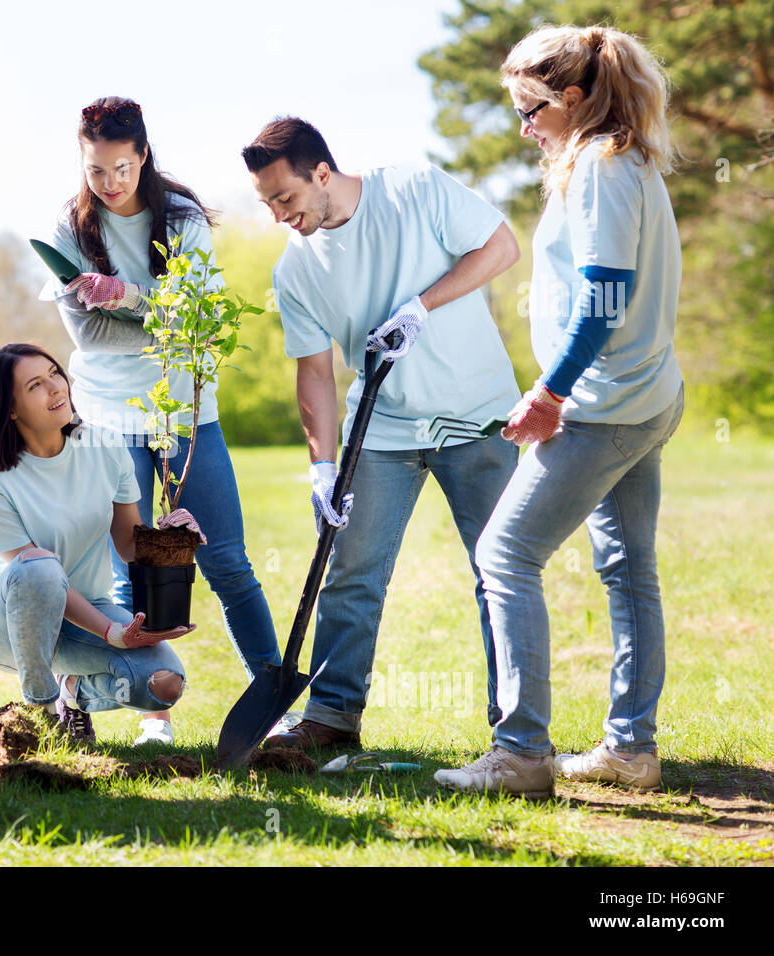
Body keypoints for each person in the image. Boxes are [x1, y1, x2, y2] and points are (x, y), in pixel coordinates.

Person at [436, 26, 686, 798]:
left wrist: (551, 391)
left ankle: (519, 756)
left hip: (603, 406)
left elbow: (605, 299)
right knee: (626, 568)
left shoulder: (603, 168)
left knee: (505, 556)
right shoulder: (623, 159)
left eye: (531, 108)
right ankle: (630, 750)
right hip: (644, 398)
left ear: (572, 98)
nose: (524, 126)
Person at [242, 117, 522, 752]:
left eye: (284, 198)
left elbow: (502, 248)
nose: (279, 216)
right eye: (266, 204)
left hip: (478, 415)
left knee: (500, 571)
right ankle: (332, 720)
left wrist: (422, 305)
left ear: (322, 173)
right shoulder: (296, 271)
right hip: (383, 429)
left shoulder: (415, 190)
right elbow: (314, 374)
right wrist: (321, 467)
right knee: (353, 571)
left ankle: (517, 730)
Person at [45, 97, 280, 743]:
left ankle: (273, 700)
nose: (110, 183)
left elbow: (198, 323)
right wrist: (158, 312)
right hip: (108, 422)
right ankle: (154, 714)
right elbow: (89, 340)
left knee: (227, 560)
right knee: (134, 566)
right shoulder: (69, 227)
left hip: (184, 413)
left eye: (121, 167)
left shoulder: (179, 218)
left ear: (142, 154)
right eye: (96, 170)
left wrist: (124, 296)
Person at [0, 343, 197, 745]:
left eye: (55, 373)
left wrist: (171, 541)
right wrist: (110, 632)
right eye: (36, 384)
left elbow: (128, 545)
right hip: (7, 621)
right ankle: (42, 711)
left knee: (164, 684)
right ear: (11, 408)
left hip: (83, 612)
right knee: (39, 567)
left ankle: (70, 692)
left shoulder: (104, 446)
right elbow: (34, 574)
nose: (56, 388)